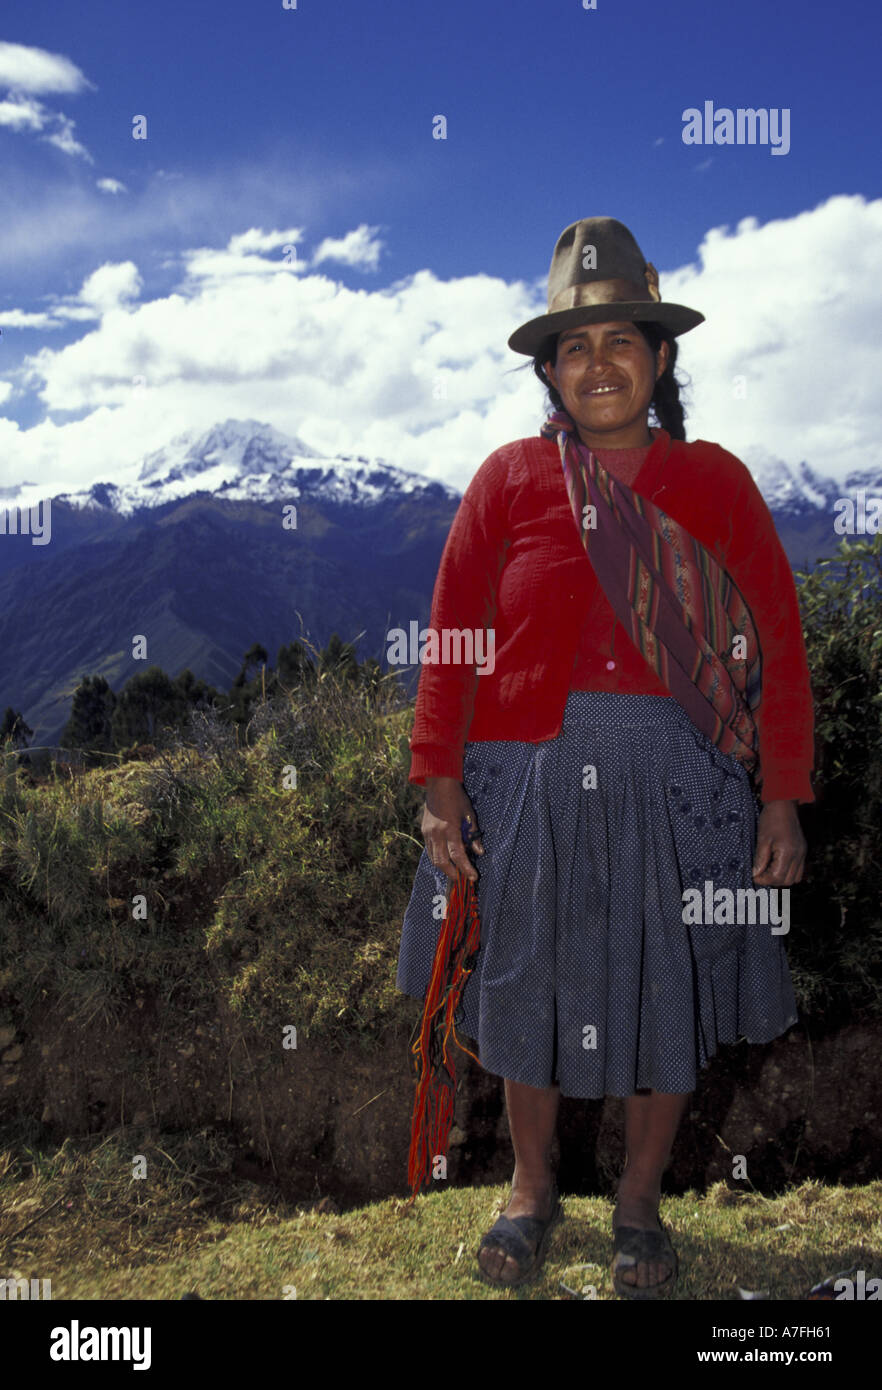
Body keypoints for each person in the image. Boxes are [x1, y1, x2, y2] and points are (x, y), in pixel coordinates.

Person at [396, 217, 814, 1298]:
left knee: (660, 993)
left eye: (620, 340)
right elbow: (453, 639)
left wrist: (783, 797)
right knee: (532, 982)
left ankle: (639, 1202)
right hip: (529, 776)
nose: (599, 364)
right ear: (549, 368)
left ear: (661, 357)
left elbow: (776, 644)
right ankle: (531, 1189)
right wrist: (438, 787)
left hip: (682, 789)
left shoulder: (715, 482)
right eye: (575, 347)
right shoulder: (508, 481)